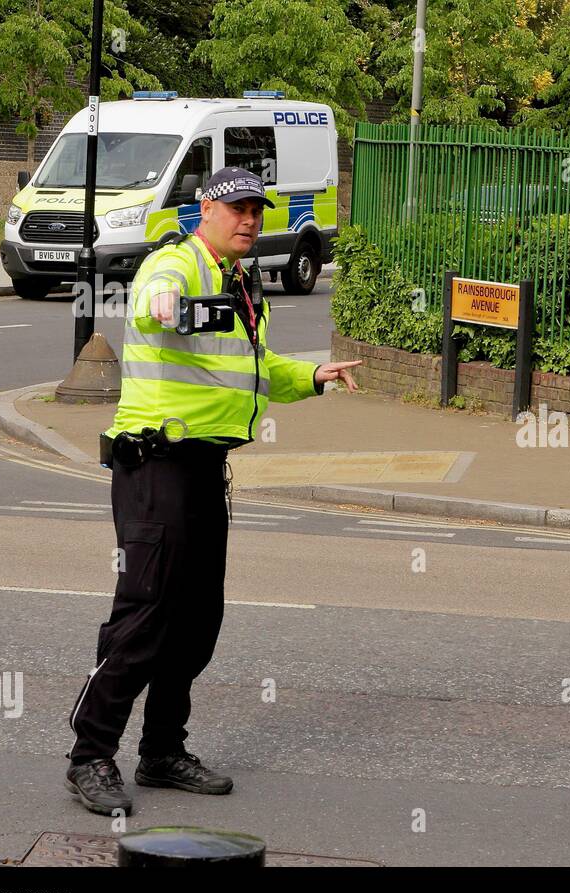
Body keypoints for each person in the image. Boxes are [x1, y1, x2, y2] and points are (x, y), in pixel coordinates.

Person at [65, 166, 361, 815]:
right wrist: (184, 306)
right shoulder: (176, 264)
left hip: (204, 470)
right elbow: (153, 305)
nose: (249, 220)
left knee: (197, 621)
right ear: (205, 210)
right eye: (237, 209)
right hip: (155, 463)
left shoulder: (241, 281)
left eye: (257, 210)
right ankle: (90, 755)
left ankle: (162, 750)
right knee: (144, 614)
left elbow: (251, 370)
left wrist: (312, 373)